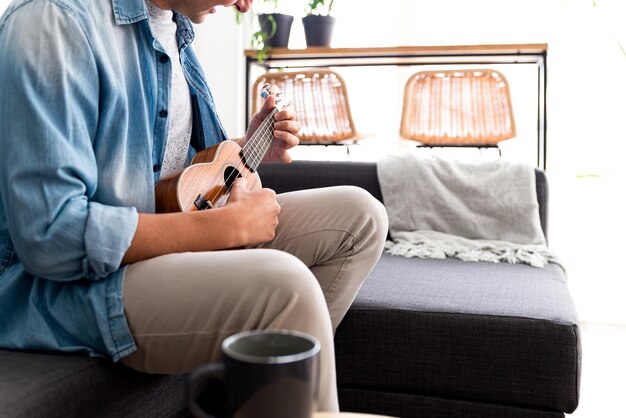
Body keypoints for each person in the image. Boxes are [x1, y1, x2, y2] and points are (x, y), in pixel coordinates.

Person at [0, 0, 388, 412]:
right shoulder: (53, 24)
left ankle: (261, 400)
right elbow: (52, 236)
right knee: (285, 286)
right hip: (69, 288)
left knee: (361, 216)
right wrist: (227, 228)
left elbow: (171, 177)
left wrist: (246, 148)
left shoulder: (176, 30)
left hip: (159, 247)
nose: (244, 4)